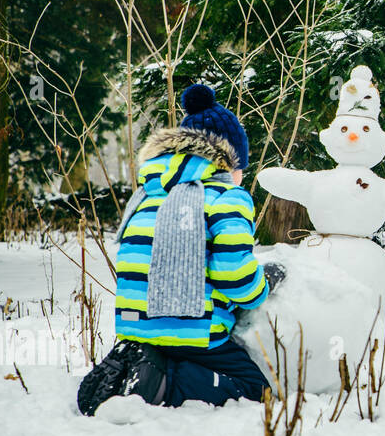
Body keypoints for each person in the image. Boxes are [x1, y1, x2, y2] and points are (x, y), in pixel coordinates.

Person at [77, 83, 280, 415]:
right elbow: (235, 276)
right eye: (240, 165)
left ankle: (138, 360)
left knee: (170, 345)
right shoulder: (226, 197)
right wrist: (263, 285)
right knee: (255, 389)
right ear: (227, 162)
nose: (242, 174)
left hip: (136, 327)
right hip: (195, 333)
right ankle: (159, 384)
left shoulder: (145, 195)